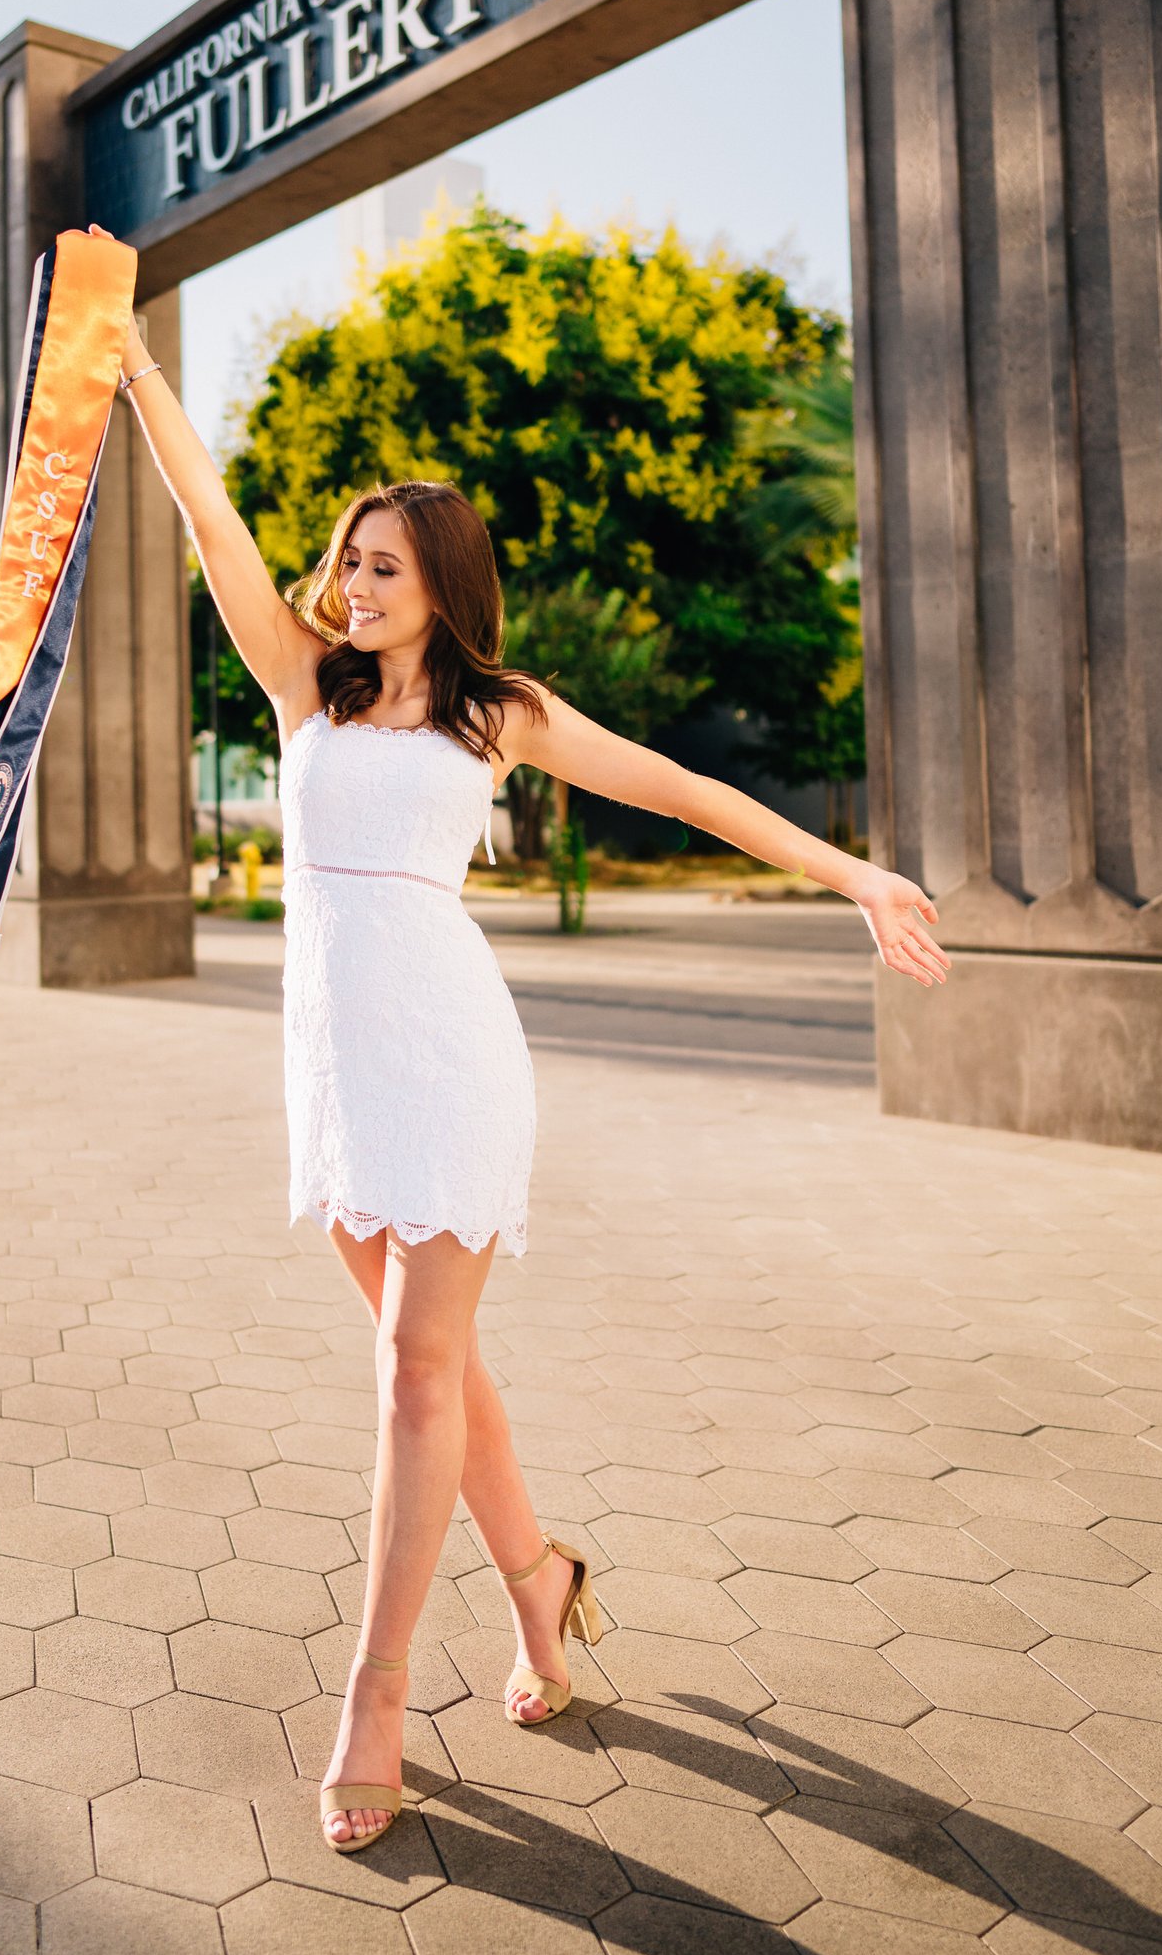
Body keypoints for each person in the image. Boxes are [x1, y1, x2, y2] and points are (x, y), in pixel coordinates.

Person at [99, 232, 949, 1855]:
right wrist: (137, 370)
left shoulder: (500, 713)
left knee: (414, 1372)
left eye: (383, 569)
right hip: (336, 1064)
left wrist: (851, 872)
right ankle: (545, 1585)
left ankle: (375, 1689)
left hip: (450, 1058)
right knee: (445, 1364)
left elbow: (686, 791)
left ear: (445, 585)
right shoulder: (308, 691)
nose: (352, 586)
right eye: (346, 562)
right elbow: (212, 525)